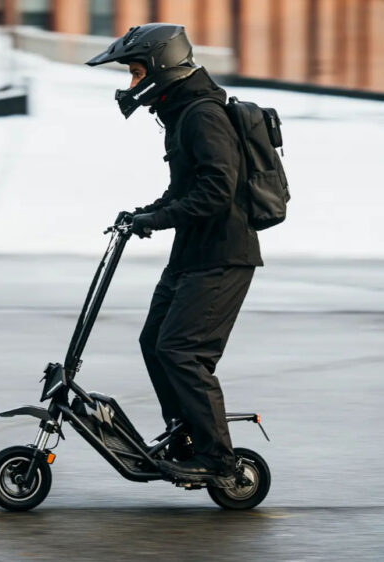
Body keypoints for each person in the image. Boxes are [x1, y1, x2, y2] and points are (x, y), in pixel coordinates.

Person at [86, 23, 262, 484]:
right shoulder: (182, 113)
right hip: (194, 254)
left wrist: (158, 219)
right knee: (154, 341)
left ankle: (218, 460)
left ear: (162, 68)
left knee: (183, 351)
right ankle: (185, 435)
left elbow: (217, 191)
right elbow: (185, 188)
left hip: (223, 256)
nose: (131, 83)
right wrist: (144, 213)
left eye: (136, 71)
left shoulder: (202, 114)